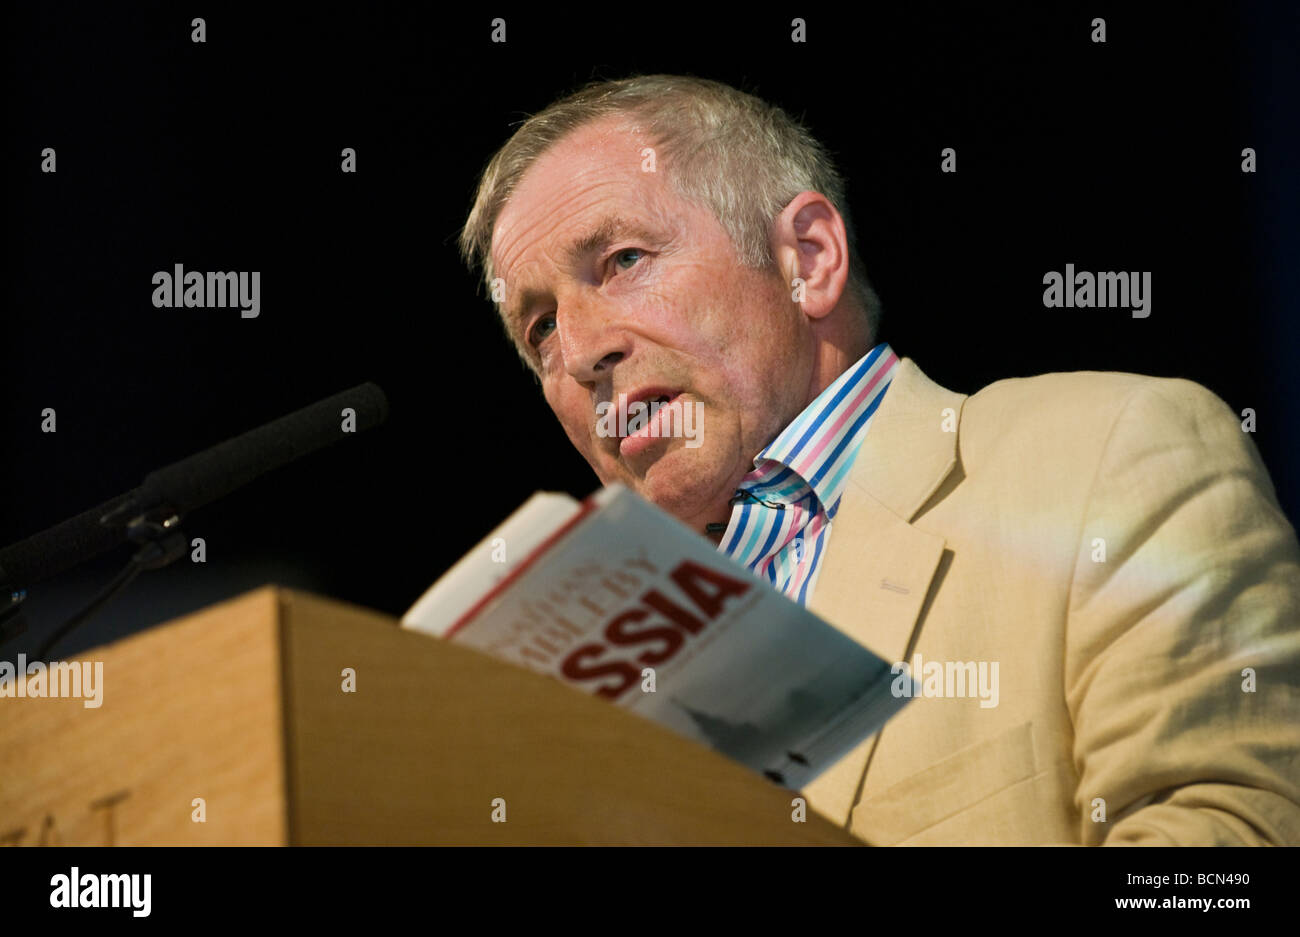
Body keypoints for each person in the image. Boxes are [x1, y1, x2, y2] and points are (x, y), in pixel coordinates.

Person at [458, 74, 1300, 845]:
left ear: (809, 260)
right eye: (539, 328)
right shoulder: (579, 687)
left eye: (623, 262)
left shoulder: (1108, 453)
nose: (579, 351)